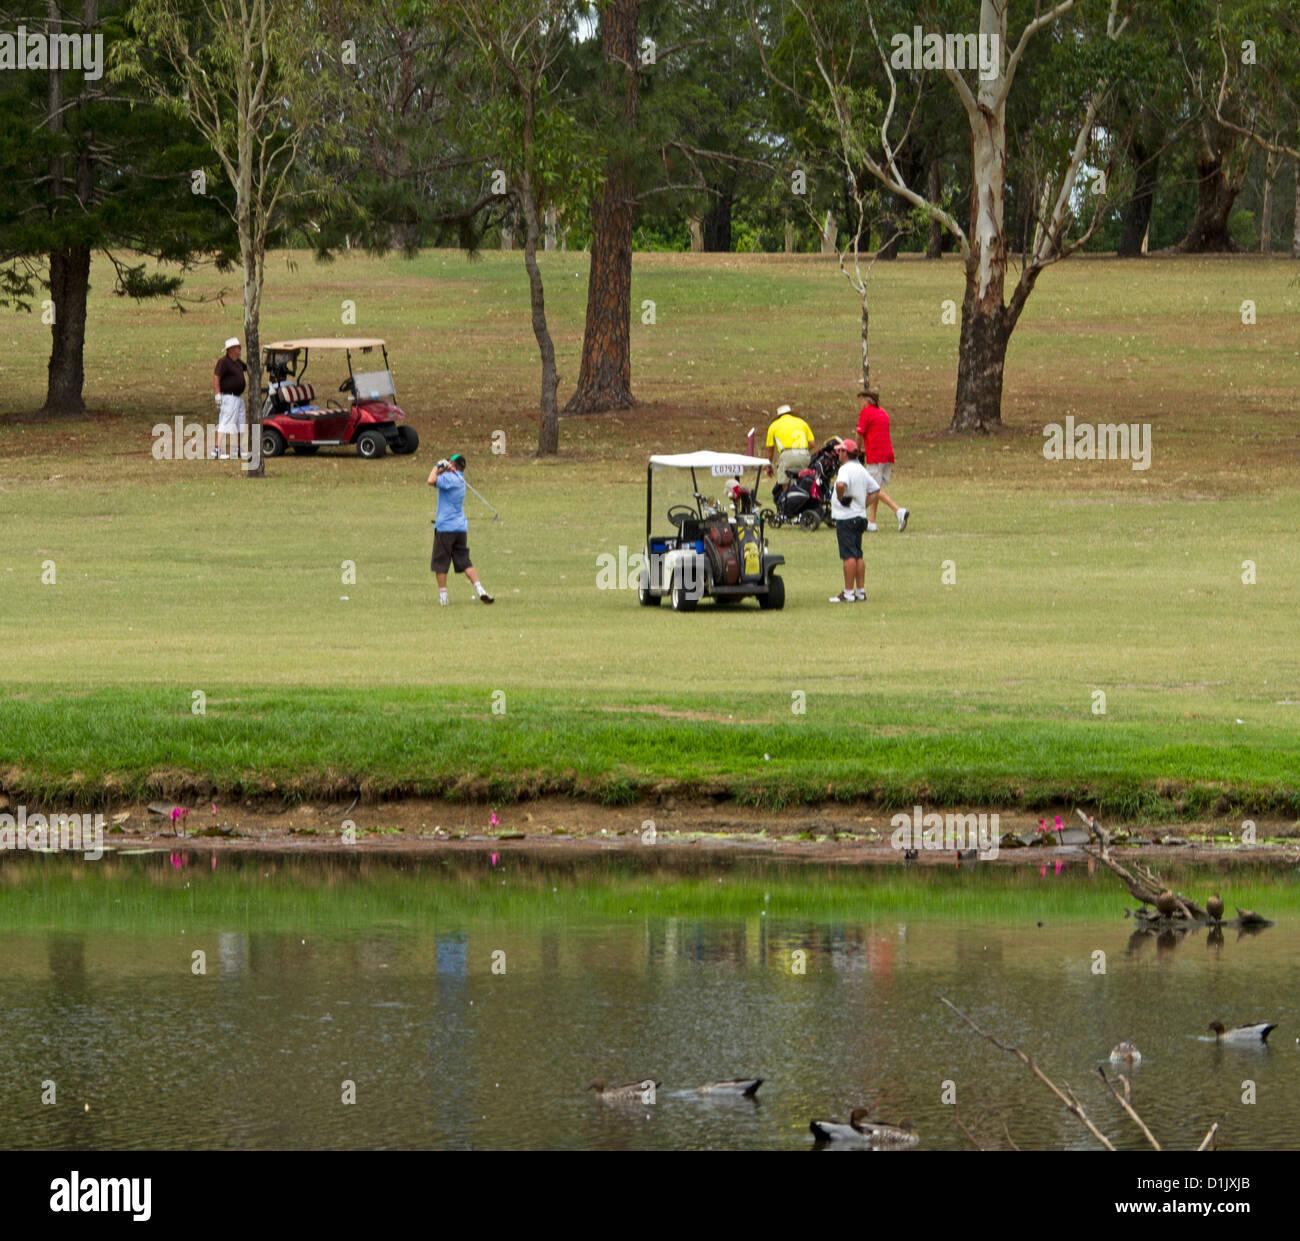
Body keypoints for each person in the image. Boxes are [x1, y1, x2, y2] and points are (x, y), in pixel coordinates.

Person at [428, 453, 494, 605]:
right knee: (464, 561)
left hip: (445, 528)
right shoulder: (460, 479)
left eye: (449, 461)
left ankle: (443, 596)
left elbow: (430, 480)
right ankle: (480, 589)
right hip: (460, 528)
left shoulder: (449, 479)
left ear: (453, 465)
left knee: (441, 562)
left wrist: (437, 465)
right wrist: (445, 468)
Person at [827, 438, 878, 603]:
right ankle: (860, 591)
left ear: (845, 453)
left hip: (846, 518)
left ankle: (848, 593)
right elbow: (875, 490)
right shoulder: (861, 469)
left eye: (840, 451)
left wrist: (841, 499)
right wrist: (863, 505)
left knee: (848, 556)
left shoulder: (845, 469)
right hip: (859, 517)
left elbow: (841, 485)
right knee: (858, 554)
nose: (838, 454)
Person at [856, 389, 909, 532]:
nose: (860, 404)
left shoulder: (866, 413)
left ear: (867, 401)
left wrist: (857, 450)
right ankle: (872, 521)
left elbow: (859, 434)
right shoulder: (883, 413)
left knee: (873, 488)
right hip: (887, 455)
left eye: (861, 400)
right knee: (876, 488)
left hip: (875, 456)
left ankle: (898, 511)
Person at [764, 404, 817, 499]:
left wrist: (768, 466)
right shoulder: (802, 422)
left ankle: (787, 501)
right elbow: (812, 443)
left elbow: (769, 450)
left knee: (785, 480)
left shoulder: (774, 426)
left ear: (779, 416)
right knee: (805, 479)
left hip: (787, 454)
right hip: (803, 453)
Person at [211, 337, 248, 460]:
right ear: (231, 349)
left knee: (240, 422)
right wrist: (217, 394)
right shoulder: (224, 362)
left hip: (238, 397)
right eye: (238, 347)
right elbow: (216, 377)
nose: (240, 349)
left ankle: (238, 449)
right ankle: (217, 450)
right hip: (229, 397)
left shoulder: (237, 362)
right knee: (225, 422)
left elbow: (247, 368)